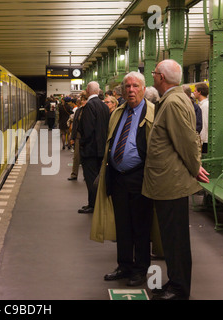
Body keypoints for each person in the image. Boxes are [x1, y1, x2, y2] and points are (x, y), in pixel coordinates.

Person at [144, 59, 209, 300]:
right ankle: (175, 283)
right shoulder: (176, 99)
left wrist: (195, 168)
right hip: (168, 181)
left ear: (161, 77)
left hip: (171, 182)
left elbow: (185, 140)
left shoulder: (172, 102)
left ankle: (179, 290)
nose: (153, 77)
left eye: (154, 73)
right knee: (172, 239)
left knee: (175, 240)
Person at [91, 72, 155, 287]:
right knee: (123, 226)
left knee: (141, 226)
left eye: (135, 86)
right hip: (118, 177)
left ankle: (140, 269)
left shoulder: (152, 113)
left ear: (143, 89)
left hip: (140, 177)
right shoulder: (119, 112)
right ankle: (124, 265)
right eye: (127, 86)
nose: (130, 90)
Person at [77, 82, 109, 213]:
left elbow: (88, 129)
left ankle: (93, 205)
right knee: (98, 179)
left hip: (90, 150)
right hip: (101, 149)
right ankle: (96, 203)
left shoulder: (89, 106)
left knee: (90, 179)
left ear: (88, 90)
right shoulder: (104, 106)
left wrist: (83, 144)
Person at [68, 92, 88, 180]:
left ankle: (86, 175)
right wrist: (72, 137)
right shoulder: (78, 111)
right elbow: (75, 124)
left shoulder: (90, 110)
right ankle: (74, 174)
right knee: (76, 157)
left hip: (87, 137)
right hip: (78, 137)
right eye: (82, 100)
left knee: (86, 157)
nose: (83, 102)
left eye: (85, 100)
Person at [194, 83, 209, 153]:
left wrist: (201, 141)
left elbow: (204, 124)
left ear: (199, 92)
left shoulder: (205, 106)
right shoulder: (201, 105)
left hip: (204, 141)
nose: (193, 93)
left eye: (195, 91)